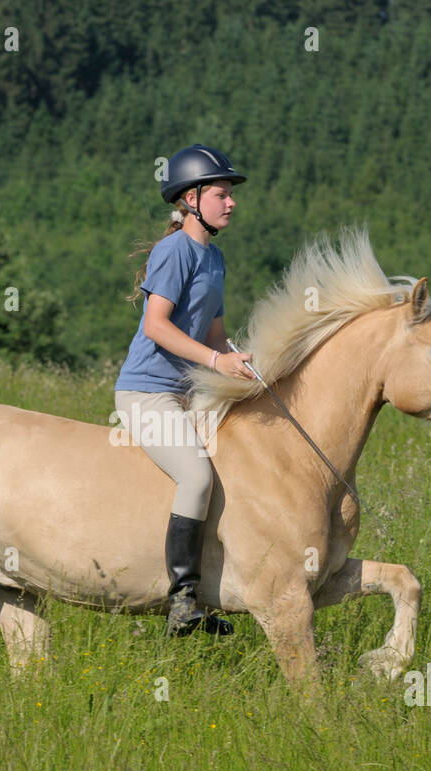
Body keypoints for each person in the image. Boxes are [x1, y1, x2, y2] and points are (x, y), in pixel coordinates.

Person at [114, 144, 256, 637]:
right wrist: (217, 360)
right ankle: (182, 602)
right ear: (192, 198)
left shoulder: (214, 258)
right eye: (221, 193)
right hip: (147, 393)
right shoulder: (174, 251)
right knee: (196, 478)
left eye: (230, 195)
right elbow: (156, 326)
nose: (231, 202)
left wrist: (242, 363)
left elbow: (214, 336)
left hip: (188, 391)